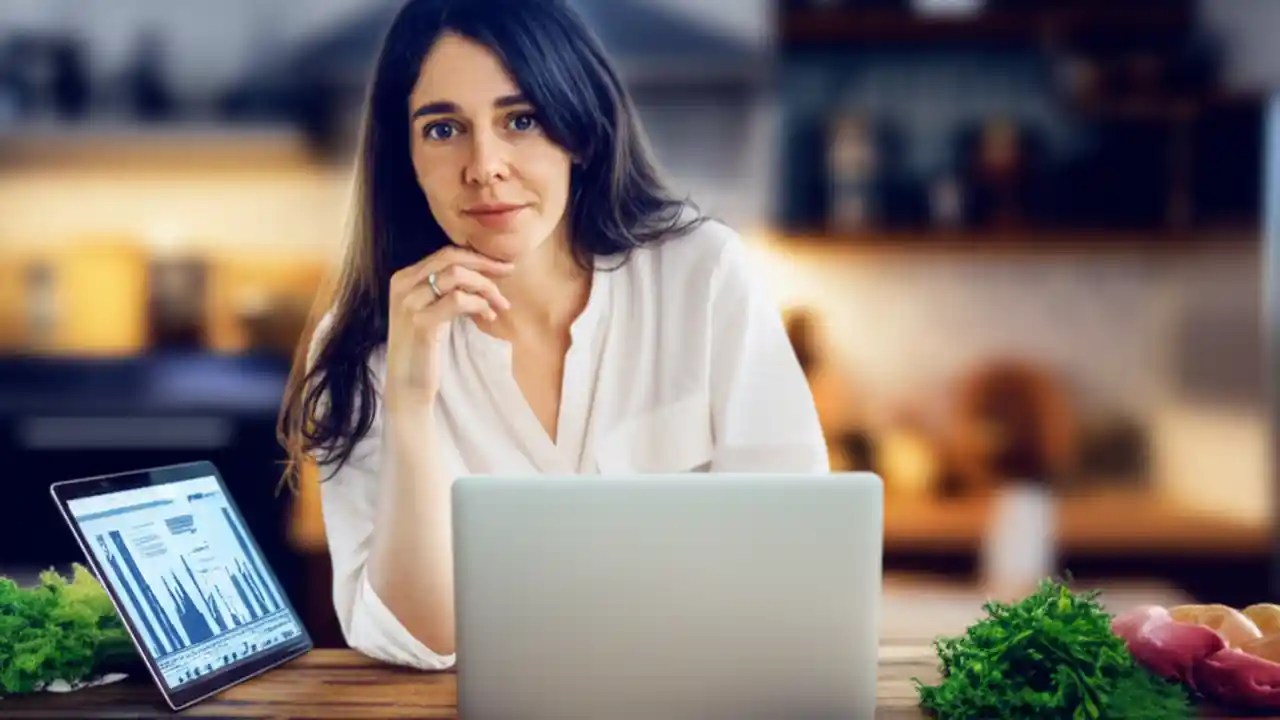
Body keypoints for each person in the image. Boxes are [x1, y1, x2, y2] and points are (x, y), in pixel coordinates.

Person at [277, 0, 827, 671]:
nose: (484, 166)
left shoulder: (704, 274)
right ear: (406, 159)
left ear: (580, 133)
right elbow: (422, 641)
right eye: (443, 129)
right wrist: (411, 404)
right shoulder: (366, 347)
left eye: (521, 120)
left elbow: (797, 555)